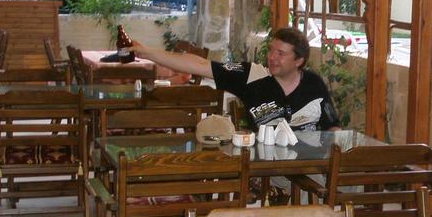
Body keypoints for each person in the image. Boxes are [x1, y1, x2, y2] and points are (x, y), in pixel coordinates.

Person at [132, 27, 340, 131]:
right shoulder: (250, 75)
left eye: (281, 53)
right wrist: (146, 52)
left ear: (299, 61)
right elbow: (197, 64)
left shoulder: (314, 84)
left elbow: (333, 128)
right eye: (271, 50)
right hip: (270, 169)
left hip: (310, 164)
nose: (272, 57)